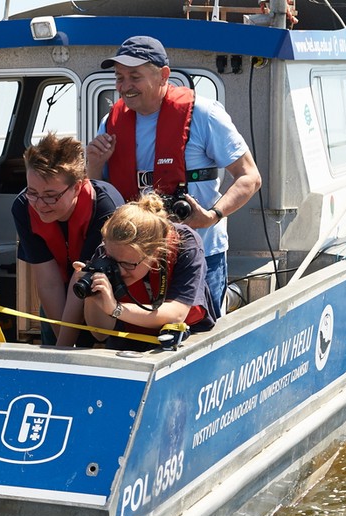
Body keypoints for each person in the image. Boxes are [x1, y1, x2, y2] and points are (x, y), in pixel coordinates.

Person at [85, 35, 261, 317]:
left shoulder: (204, 115)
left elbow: (249, 177)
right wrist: (93, 164)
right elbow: (99, 191)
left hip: (198, 254)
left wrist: (212, 215)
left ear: (163, 75)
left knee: (200, 335)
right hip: (131, 263)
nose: (125, 86)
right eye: (119, 77)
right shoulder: (110, 123)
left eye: (134, 76)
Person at [14, 132, 124, 346]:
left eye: (50, 195)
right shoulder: (22, 207)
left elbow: (82, 274)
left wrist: (64, 347)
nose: (40, 203)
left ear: (76, 187)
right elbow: (48, 282)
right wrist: (61, 347)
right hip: (58, 291)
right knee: (54, 337)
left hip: (102, 293)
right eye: (33, 192)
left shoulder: (104, 208)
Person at [75, 194, 216, 351]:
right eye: (113, 261)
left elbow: (177, 314)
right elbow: (100, 333)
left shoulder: (186, 244)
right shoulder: (105, 254)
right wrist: (92, 295)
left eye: (128, 264)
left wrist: (115, 309)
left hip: (184, 338)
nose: (120, 271)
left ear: (155, 253)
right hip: (131, 341)